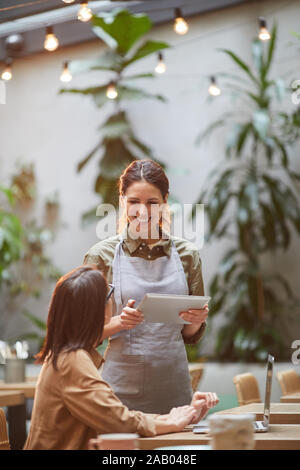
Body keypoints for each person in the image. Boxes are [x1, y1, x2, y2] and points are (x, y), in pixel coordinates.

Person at [23, 266, 218, 450]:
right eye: (108, 294)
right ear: (96, 310)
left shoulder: (64, 354)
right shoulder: (73, 360)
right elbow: (117, 420)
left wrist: (178, 416)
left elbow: (114, 416)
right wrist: (172, 421)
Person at [84, 159, 209, 414]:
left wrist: (196, 319)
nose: (143, 211)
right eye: (134, 202)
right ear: (122, 201)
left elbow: (189, 335)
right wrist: (120, 322)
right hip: (119, 396)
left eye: (152, 202)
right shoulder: (101, 256)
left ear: (165, 202)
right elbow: (84, 335)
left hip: (174, 390)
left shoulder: (187, 255)